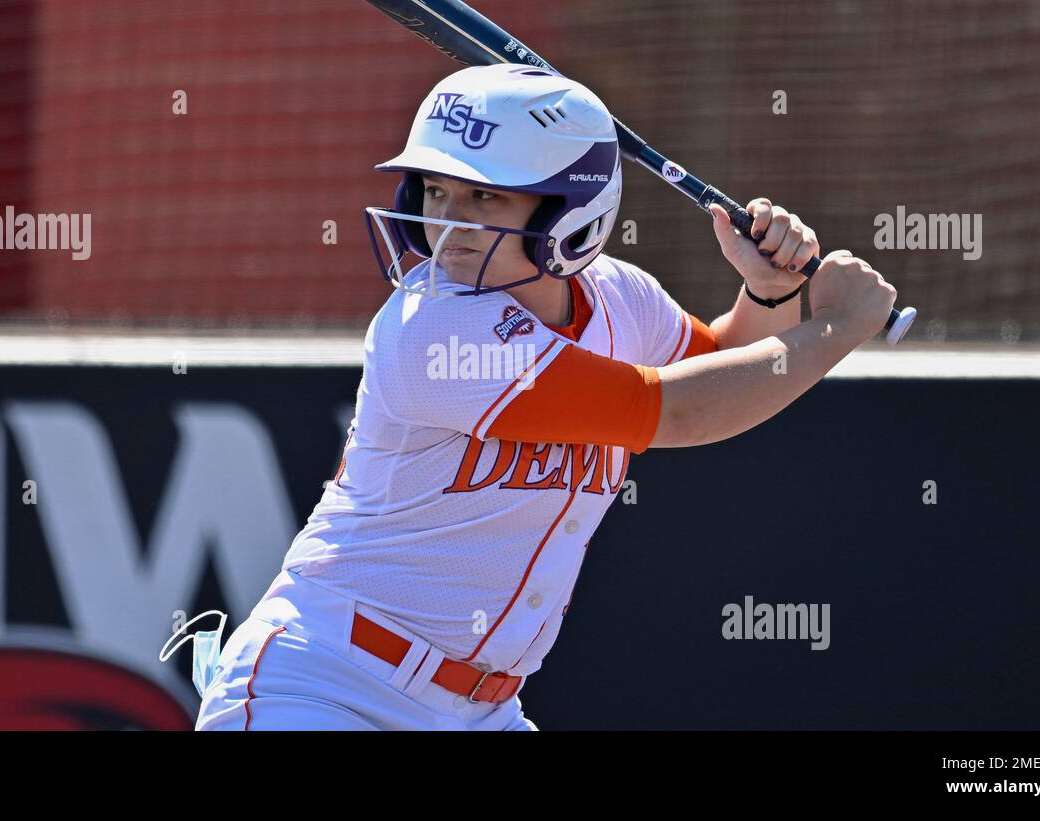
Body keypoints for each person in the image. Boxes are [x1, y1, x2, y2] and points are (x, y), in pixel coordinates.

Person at [195, 64, 896, 730]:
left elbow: (721, 368)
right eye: (437, 192)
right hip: (330, 684)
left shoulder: (620, 297)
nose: (451, 222)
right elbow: (676, 410)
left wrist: (766, 294)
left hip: (480, 708)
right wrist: (836, 328)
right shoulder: (433, 329)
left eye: (485, 196)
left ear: (572, 214)